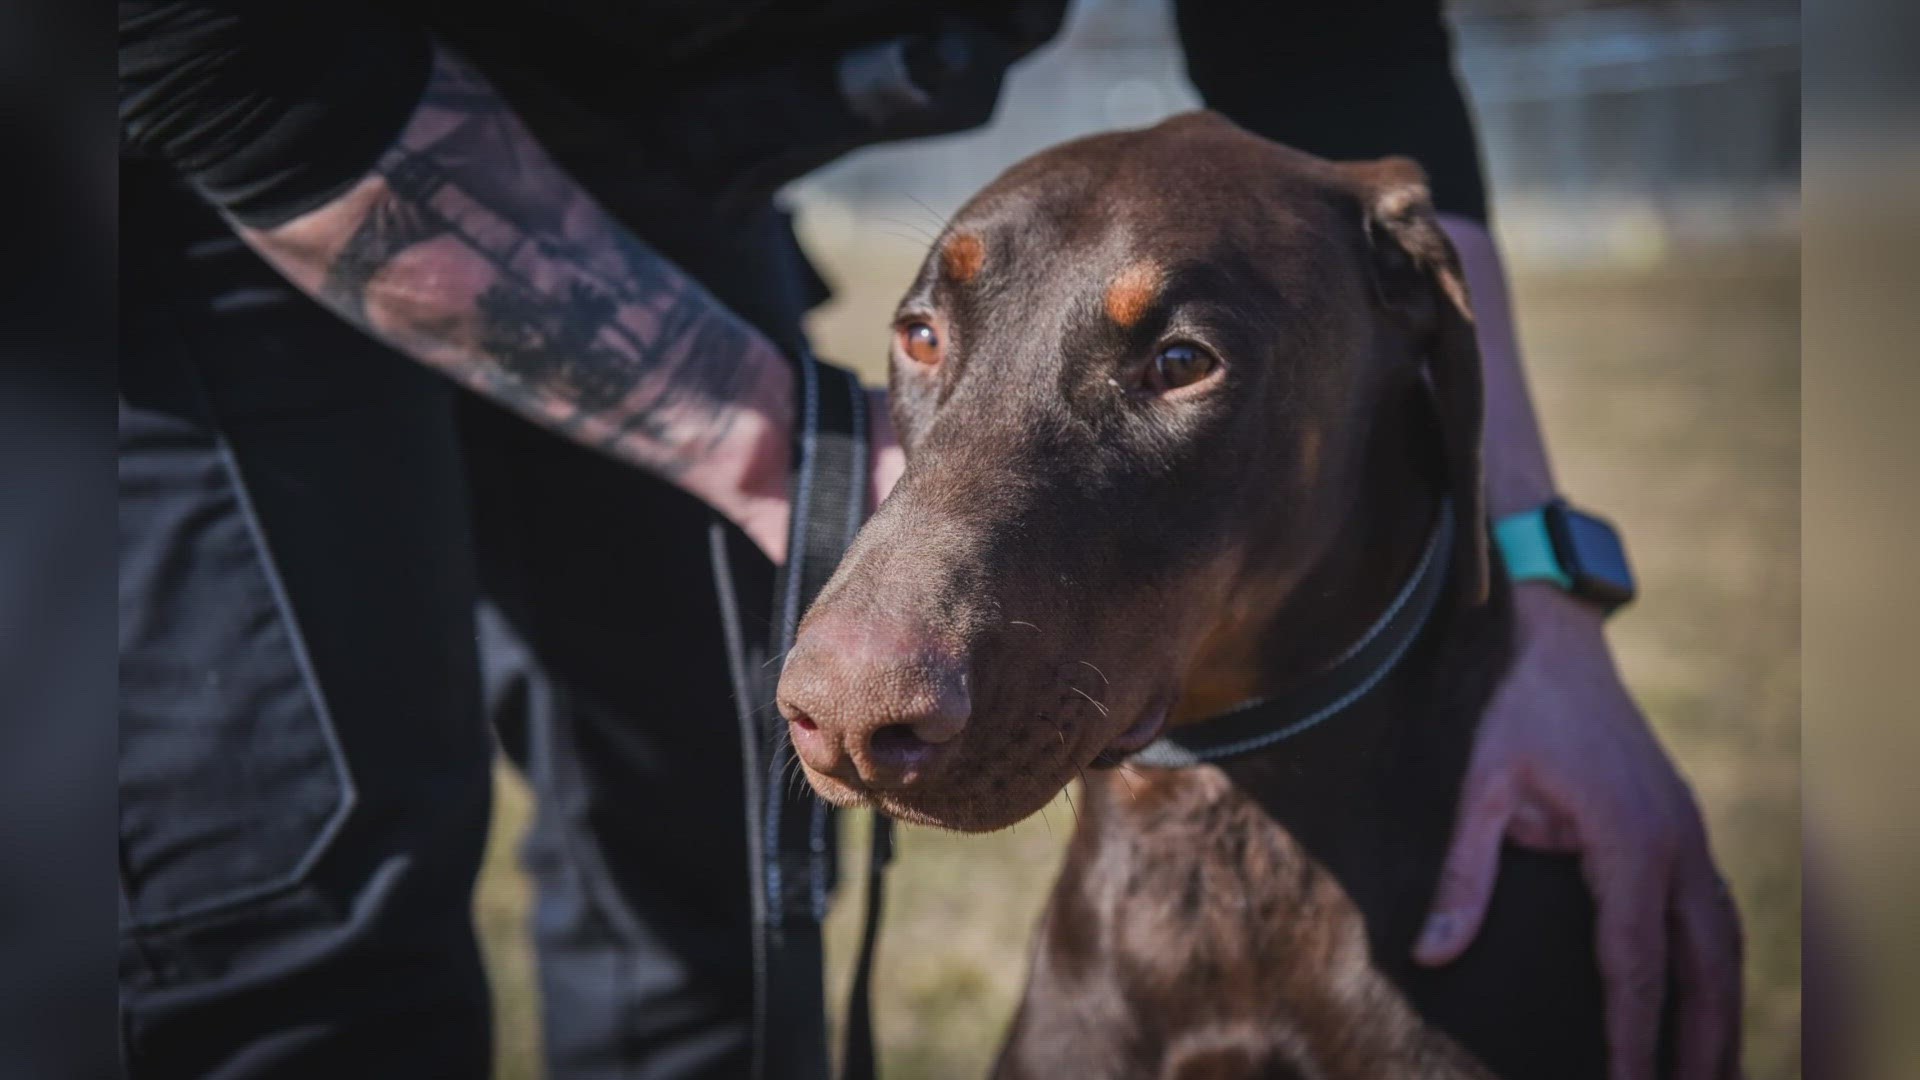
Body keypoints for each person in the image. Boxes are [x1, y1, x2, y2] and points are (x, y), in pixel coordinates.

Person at [116, 3, 1742, 1078]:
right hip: (210, 158)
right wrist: (773, 454)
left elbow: (1331, 42)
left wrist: (1545, 589)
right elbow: (200, 46)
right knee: (307, 907)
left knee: (710, 880)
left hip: (669, 156)